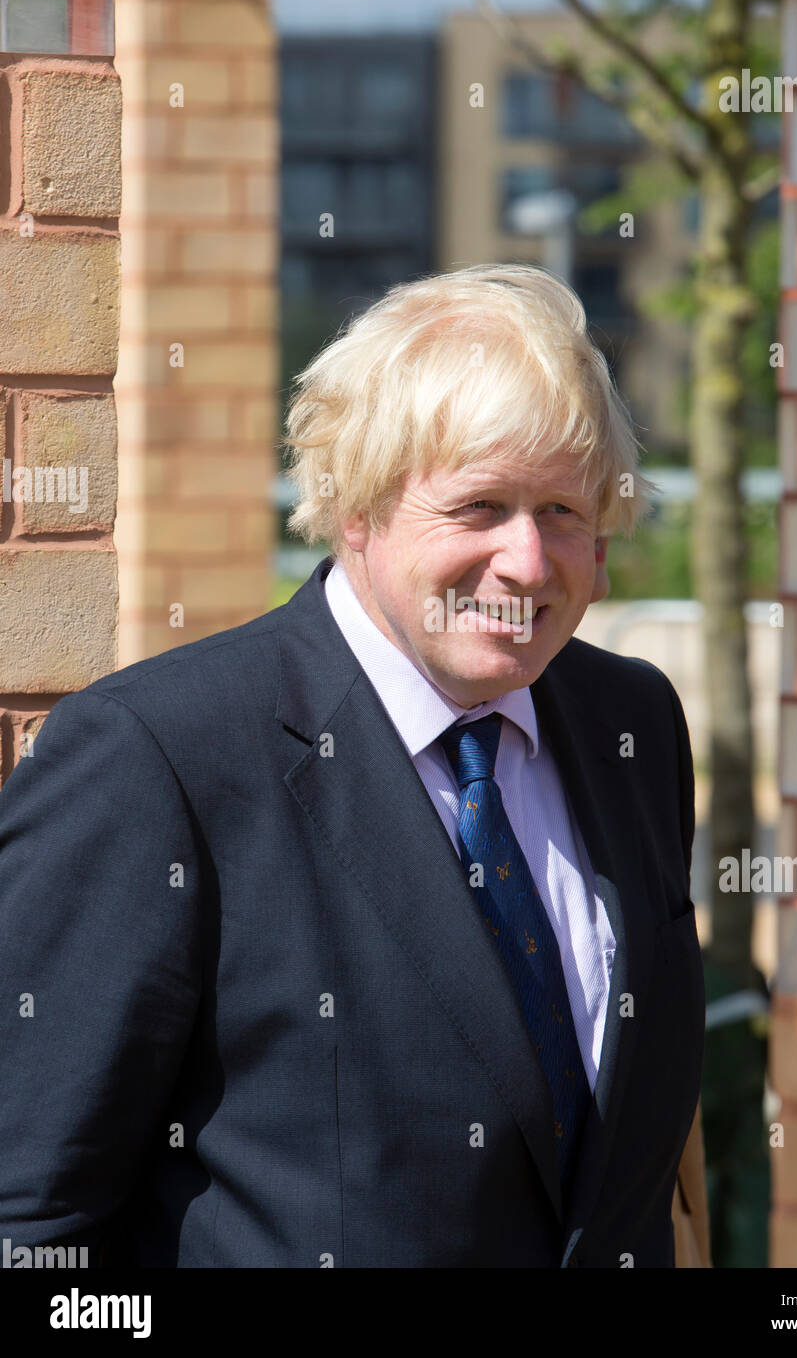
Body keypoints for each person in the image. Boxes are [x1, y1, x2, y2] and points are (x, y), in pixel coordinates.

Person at [0, 264, 704, 1268]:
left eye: (560, 510)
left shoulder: (630, 724)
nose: (528, 562)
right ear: (354, 510)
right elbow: (32, 1220)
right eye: (478, 507)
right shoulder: (159, 760)